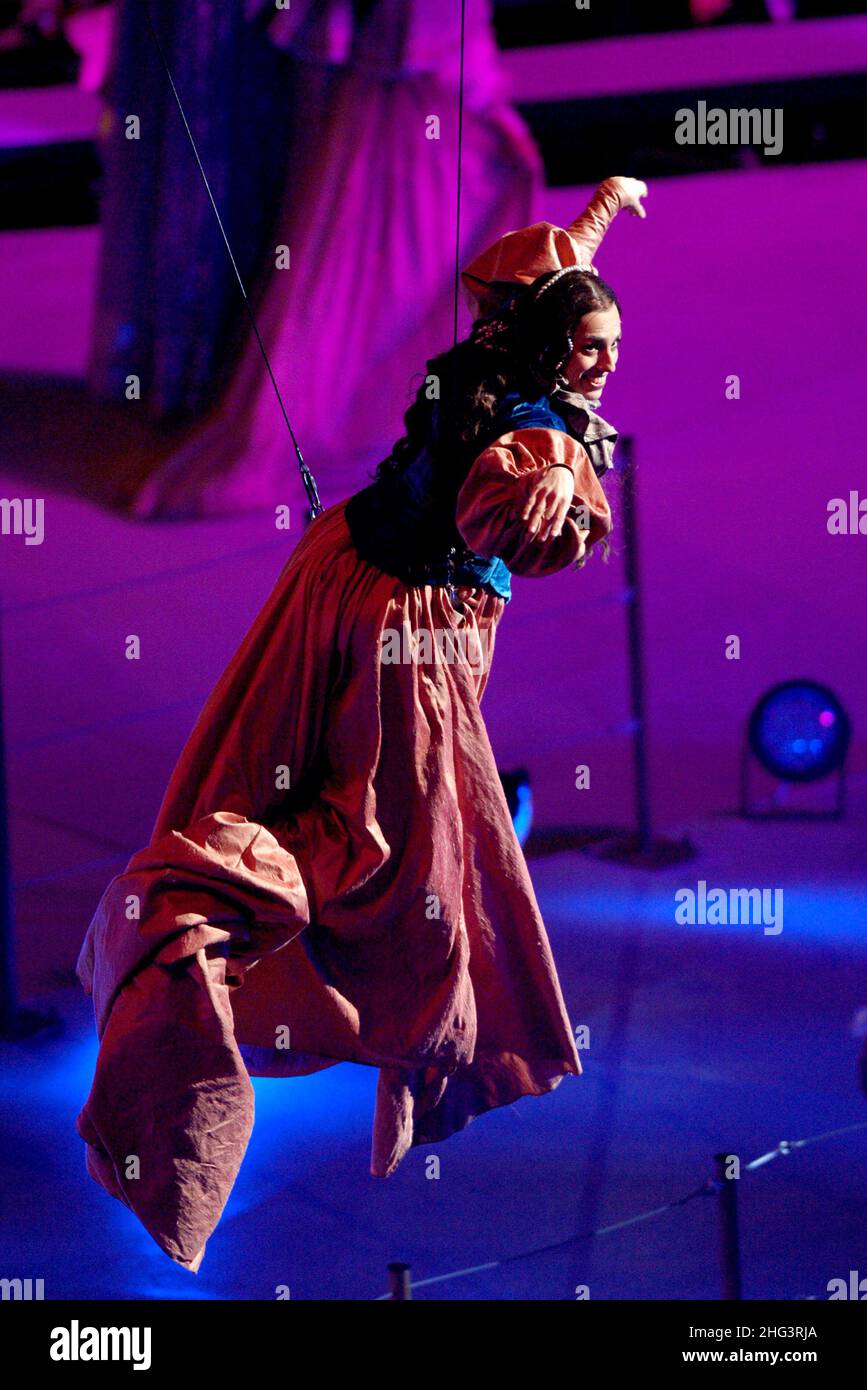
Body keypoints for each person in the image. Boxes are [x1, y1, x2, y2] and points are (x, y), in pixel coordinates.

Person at [76, 175, 649, 1272]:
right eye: (590, 348)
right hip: (415, 637)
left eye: (608, 343)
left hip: (342, 571)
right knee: (399, 863)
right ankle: (211, 949)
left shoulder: (503, 345)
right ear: (547, 344)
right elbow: (507, 515)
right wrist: (571, 499)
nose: (605, 364)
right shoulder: (528, 439)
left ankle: (223, 920)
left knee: (303, 781)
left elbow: (549, 268)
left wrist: (603, 210)